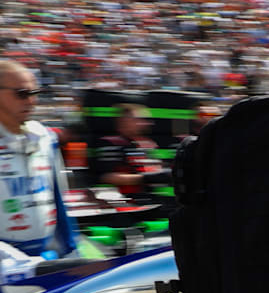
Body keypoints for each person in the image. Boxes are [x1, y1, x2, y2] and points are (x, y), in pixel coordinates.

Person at [0, 59, 77, 276]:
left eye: (34, 93)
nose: (31, 101)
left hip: (43, 261)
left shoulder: (45, 138)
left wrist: (71, 252)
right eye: (22, 93)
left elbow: (59, 202)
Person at [93, 103, 169, 209]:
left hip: (151, 201)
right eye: (139, 119)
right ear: (123, 121)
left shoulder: (149, 145)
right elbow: (107, 177)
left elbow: (158, 171)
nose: (146, 123)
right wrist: (146, 178)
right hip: (121, 202)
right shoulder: (111, 144)